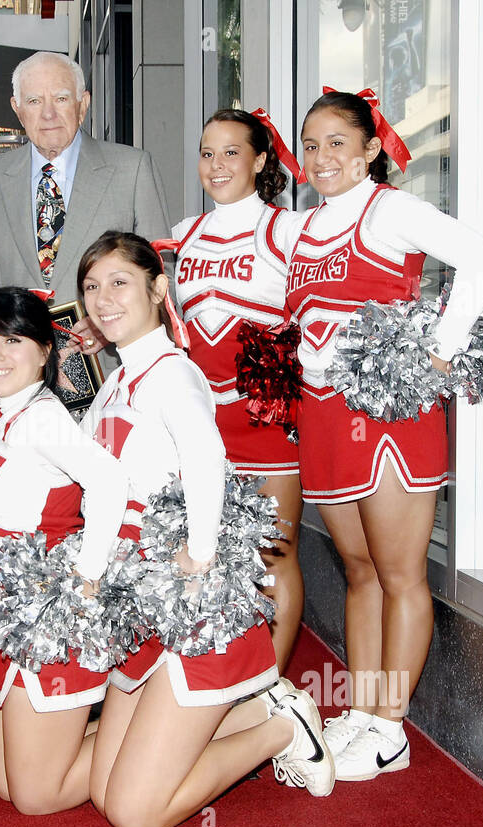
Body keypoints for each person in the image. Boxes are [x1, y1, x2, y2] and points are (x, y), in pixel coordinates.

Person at [77, 232, 333, 827]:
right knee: (102, 790)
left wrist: (201, 551)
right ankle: (249, 714)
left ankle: (283, 727)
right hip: (139, 603)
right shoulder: (117, 380)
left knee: (135, 814)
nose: (104, 299)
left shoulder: (171, 373)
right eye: (92, 287)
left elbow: (205, 454)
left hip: (187, 606)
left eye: (119, 282)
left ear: (158, 288)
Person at [288, 89, 483, 781]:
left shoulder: (392, 210)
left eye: (337, 143)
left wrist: (438, 351)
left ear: (371, 148)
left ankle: (392, 727)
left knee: (400, 571)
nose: (322, 158)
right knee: (359, 571)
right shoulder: (303, 227)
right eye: (312, 145)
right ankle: (364, 708)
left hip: (387, 417)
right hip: (324, 416)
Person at [0, 287, 127, 814]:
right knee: (10, 786)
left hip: (48, 624)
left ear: (44, 350)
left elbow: (108, 480)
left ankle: (249, 724)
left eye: (13, 340)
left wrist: (88, 571)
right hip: (4, 624)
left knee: (35, 797)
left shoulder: (40, 416)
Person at [173, 107, 304, 670]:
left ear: (259, 159)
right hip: (200, 427)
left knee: (273, 557)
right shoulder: (184, 235)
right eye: (207, 153)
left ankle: (269, 688)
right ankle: (224, 678)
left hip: (264, 421)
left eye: (231, 152)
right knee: (209, 553)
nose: (218, 164)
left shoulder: (290, 230)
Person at [0, 51, 171, 359]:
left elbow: (162, 269)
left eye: (61, 98)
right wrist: (5, 322)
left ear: (84, 103)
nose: (48, 114)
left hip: (109, 375)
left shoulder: (132, 169)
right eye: (34, 101)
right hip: (13, 375)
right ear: (17, 109)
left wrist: (110, 323)